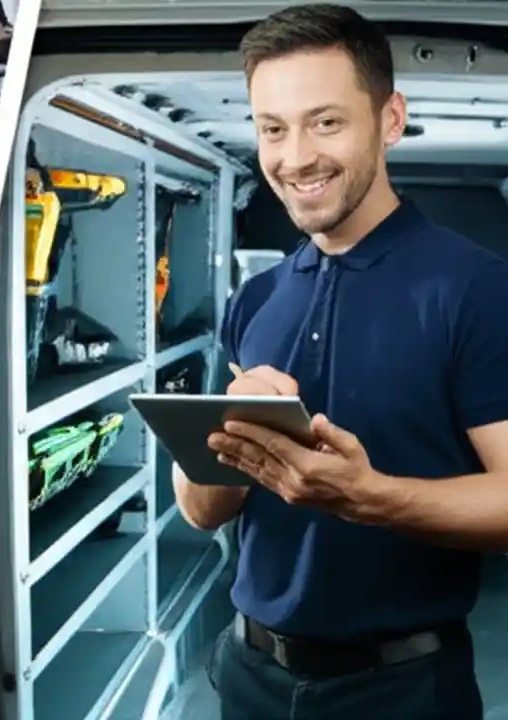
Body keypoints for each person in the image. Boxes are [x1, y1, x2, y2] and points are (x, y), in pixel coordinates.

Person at [173, 5, 508, 719]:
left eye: (325, 122)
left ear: (390, 120)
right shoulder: (256, 298)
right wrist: (218, 443)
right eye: (273, 128)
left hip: (403, 689)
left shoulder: (475, 290)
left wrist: (370, 497)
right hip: (250, 676)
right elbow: (201, 512)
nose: (295, 157)